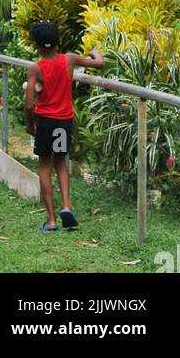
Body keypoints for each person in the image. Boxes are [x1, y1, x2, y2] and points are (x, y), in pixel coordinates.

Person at [25, 19, 105, 231]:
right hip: (63, 121)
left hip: (45, 122)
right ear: (58, 42)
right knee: (61, 162)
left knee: (44, 166)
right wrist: (94, 52)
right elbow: (99, 63)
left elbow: (28, 103)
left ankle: (51, 220)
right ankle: (67, 207)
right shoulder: (69, 59)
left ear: (37, 46)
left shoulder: (35, 68)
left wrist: (29, 125)